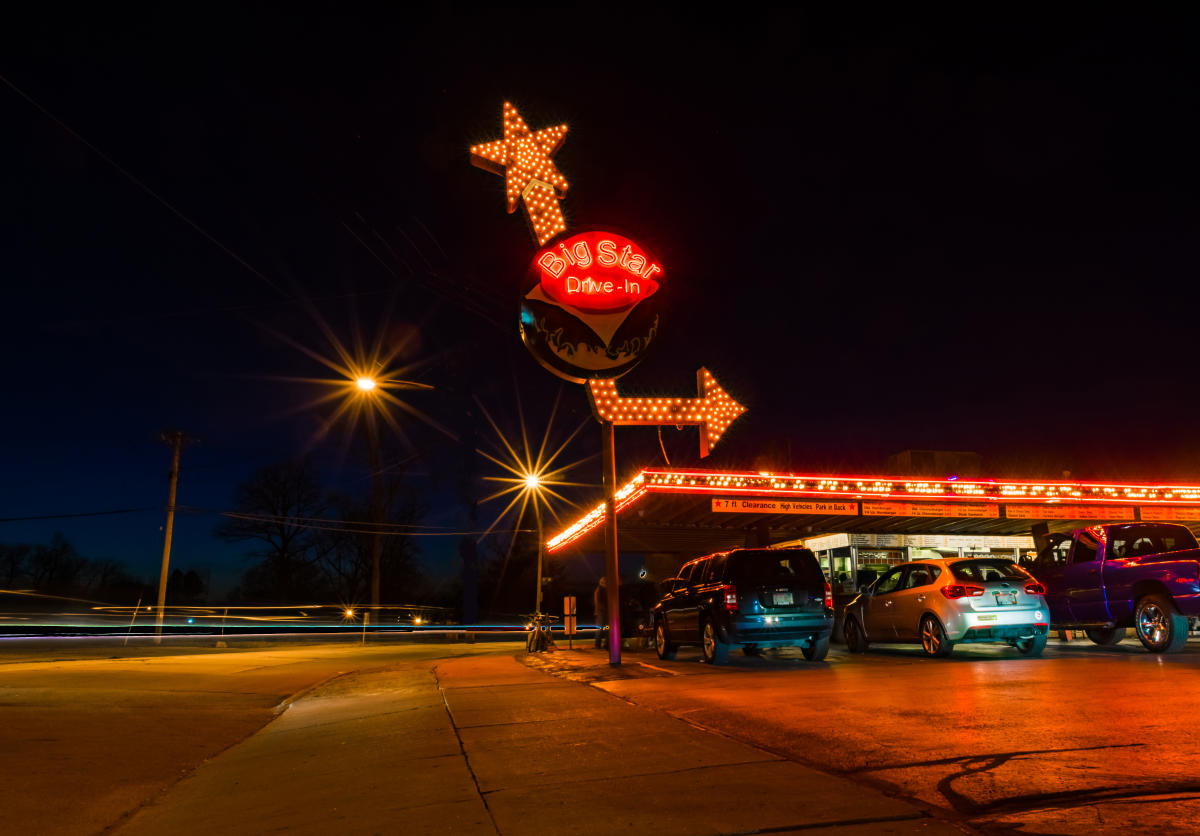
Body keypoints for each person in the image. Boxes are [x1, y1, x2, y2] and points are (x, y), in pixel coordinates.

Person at [592, 576, 607, 649]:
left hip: (600, 612)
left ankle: (598, 644)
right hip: (601, 612)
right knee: (601, 629)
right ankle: (599, 645)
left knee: (600, 629)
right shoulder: (601, 591)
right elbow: (600, 602)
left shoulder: (598, 590)